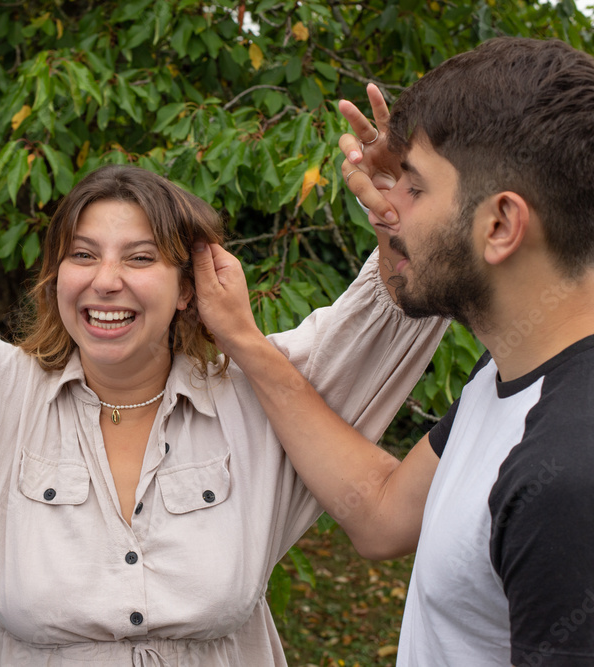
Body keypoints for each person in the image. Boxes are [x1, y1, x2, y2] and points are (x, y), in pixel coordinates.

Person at [0, 163, 449, 665]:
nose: (106, 281)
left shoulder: (262, 393)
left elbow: (395, 312)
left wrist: (405, 206)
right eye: (83, 254)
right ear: (57, 277)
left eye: (139, 258)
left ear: (188, 288)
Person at [192, 37, 594, 666]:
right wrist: (244, 341)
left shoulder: (567, 478)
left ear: (500, 225)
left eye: (415, 188)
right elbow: (381, 514)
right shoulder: (511, 377)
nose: (384, 210)